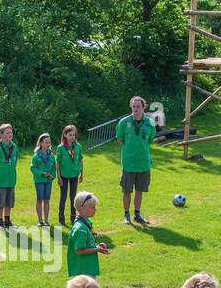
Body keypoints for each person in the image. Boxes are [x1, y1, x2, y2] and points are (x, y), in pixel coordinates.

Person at [116, 96, 155, 225]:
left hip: (144, 163)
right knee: (126, 190)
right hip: (129, 163)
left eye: (138, 106)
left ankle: (137, 214)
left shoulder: (150, 123)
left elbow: (150, 140)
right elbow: (120, 139)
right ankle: (126, 215)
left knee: (140, 190)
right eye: (133, 106)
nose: (136, 109)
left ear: (144, 107)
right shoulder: (123, 122)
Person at [66, 191, 108, 278]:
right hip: (83, 271)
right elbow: (80, 250)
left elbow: (86, 245)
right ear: (82, 208)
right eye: (92, 207)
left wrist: (97, 247)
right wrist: (97, 249)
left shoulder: (85, 224)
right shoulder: (81, 229)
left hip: (87, 268)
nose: (95, 209)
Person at [56, 124, 84, 227]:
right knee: (63, 197)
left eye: (74, 135)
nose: (72, 137)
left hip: (74, 174)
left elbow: (81, 160)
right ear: (65, 135)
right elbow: (58, 163)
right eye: (70, 135)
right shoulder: (61, 148)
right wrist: (58, 176)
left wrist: (82, 173)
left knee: (73, 196)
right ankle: (61, 218)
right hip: (64, 175)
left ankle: (73, 217)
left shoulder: (78, 146)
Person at [31, 133, 55, 227]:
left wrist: (52, 176)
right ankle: (40, 220)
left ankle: (46, 220)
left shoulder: (52, 155)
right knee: (39, 199)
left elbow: (54, 168)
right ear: (40, 143)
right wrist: (42, 173)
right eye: (46, 142)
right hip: (39, 181)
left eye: (49, 142)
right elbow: (33, 168)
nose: (48, 144)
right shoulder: (36, 156)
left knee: (47, 200)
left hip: (48, 181)